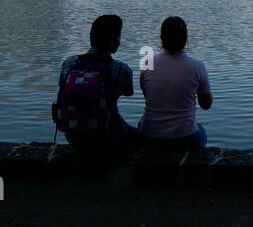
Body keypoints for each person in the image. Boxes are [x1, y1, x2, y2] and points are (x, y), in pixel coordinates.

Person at [54, 14, 137, 158]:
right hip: (106, 136)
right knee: (143, 137)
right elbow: (128, 91)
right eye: (118, 37)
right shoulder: (120, 69)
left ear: (91, 38)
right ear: (113, 42)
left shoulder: (69, 63)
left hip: (73, 136)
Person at [135, 16, 212, 151]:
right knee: (201, 131)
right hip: (185, 138)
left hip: (150, 137)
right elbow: (206, 105)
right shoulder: (197, 66)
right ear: (186, 38)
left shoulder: (147, 63)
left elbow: (148, 97)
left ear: (161, 38)